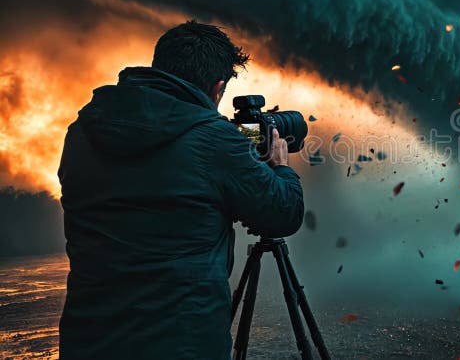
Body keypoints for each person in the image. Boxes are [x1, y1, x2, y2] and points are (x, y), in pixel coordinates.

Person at [57, 21, 304, 359]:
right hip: (181, 345)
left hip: (88, 343)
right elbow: (282, 213)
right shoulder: (214, 139)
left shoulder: (82, 132)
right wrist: (280, 166)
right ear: (217, 88)